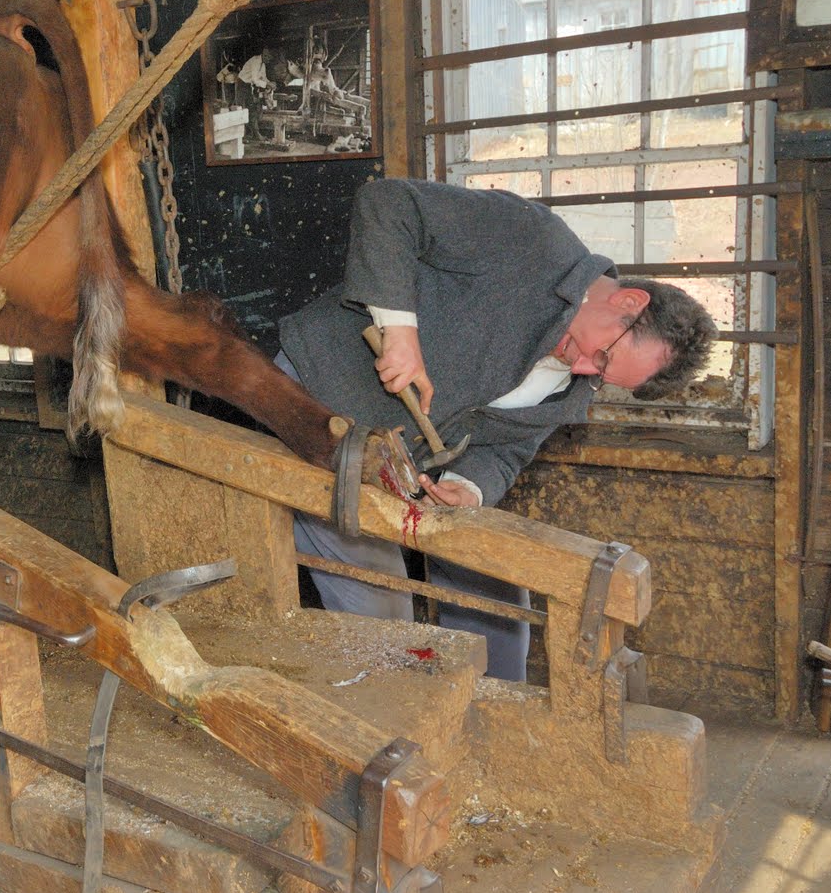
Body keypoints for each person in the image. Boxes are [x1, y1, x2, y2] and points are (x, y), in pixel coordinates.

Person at [276, 179, 716, 681]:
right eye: (603, 356)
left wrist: (468, 487)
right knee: (382, 599)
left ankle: (495, 719)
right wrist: (400, 329)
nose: (587, 371)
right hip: (319, 400)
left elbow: (507, 451)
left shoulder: (575, 379)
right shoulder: (533, 240)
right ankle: (393, 720)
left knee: (501, 598)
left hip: (404, 466)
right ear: (629, 302)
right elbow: (390, 203)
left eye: (603, 377)